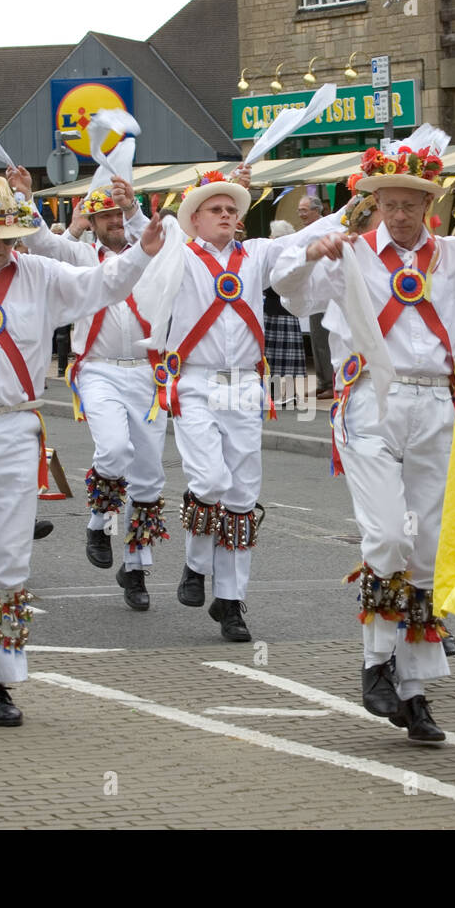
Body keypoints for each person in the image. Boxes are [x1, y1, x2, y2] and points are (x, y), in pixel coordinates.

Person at [0, 174, 165, 726]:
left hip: (17, 427)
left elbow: (102, 284)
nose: (0, 248)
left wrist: (142, 251)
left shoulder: (41, 275)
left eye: (8, 237)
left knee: (9, 560)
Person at [272, 140, 455, 744]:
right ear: (373, 204)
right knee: (386, 534)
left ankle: (413, 692)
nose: (400, 215)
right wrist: (312, 249)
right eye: (390, 204)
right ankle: (376, 662)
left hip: (438, 403)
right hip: (369, 401)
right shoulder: (347, 252)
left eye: (411, 204)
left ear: (430, 205)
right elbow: (289, 290)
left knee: (425, 550)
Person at [152, 169, 341, 642]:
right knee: (210, 480)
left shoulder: (256, 253)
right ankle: (195, 567)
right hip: (195, 382)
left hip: (246, 388)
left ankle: (231, 601)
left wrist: (359, 204)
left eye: (231, 210)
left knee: (240, 496)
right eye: (215, 209)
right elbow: (148, 238)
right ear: (194, 219)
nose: (226, 215)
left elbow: (310, 234)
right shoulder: (179, 256)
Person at [19, 173, 168, 611]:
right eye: (105, 216)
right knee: (114, 450)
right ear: (92, 220)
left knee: (149, 475)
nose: (115, 222)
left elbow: (161, 237)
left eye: (120, 214)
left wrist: (136, 207)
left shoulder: (153, 255)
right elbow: (43, 241)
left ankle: (136, 568)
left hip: (147, 373)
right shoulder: (82, 255)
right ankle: (99, 523)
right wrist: (26, 197)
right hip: (98, 370)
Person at [297, 192, 335, 400]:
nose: (301, 214)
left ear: (316, 210)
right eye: (299, 210)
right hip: (312, 291)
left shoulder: (325, 228)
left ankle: (331, 382)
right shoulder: (307, 231)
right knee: (316, 337)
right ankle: (323, 381)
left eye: (304, 210)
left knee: (326, 338)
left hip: (326, 291)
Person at [263, 220, 304, 408]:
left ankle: (284, 394)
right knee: (281, 358)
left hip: (278, 310)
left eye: (273, 236)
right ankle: (282, 394)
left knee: (280, 358)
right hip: (281, 311)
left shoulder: (283, 256)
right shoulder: (291, 254)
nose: (270, 238)